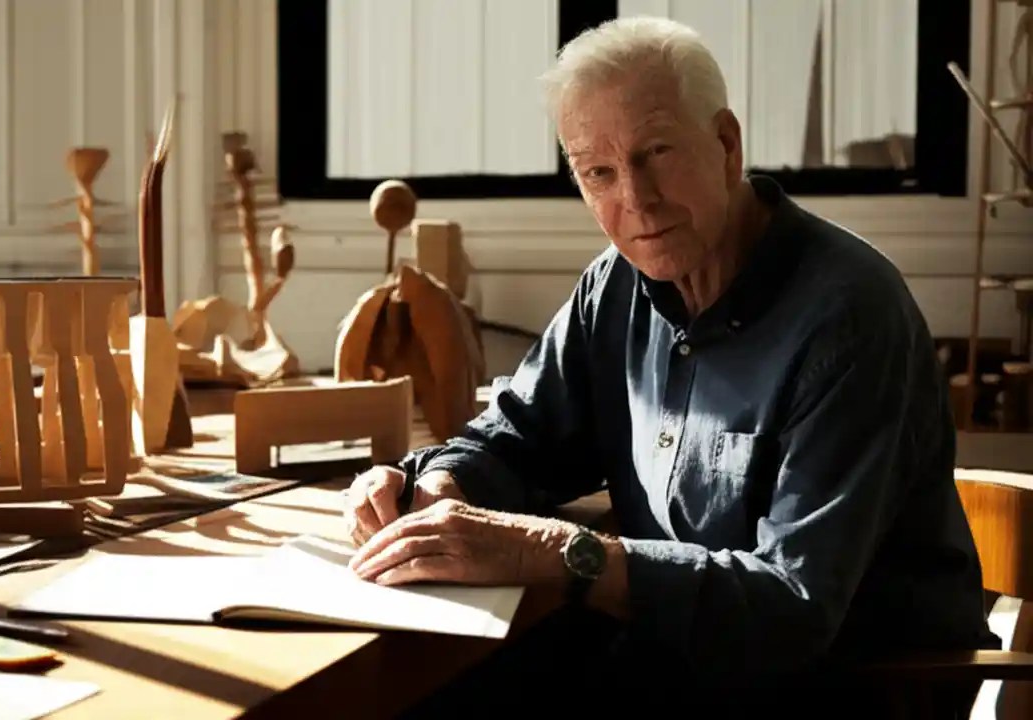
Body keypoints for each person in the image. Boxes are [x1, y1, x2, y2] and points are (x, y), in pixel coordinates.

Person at [341, 14, 997, 706]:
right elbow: (517, 438)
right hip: (674, 663)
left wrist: (556, 552)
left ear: (726, 144)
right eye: (599, 172)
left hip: (840, 685)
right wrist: (440, 486)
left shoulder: (851, 315)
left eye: (656, 152)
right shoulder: (614, 286)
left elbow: (793, 609)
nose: (637, 201)